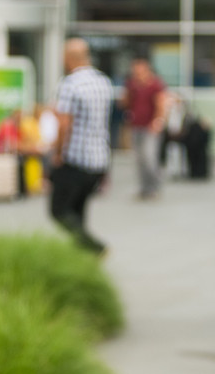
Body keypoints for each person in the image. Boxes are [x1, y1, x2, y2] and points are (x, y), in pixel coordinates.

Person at [49, 38, 113, 256]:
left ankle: (95, 248)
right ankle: (81, 254)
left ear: (69, 58)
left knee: (58, 210)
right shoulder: (103, 81)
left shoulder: (70, 84)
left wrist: (57, 154)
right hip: (99, 158)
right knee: (78, 210)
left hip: (75, 159)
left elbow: (64, 125)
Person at [121, 56, 168, 200]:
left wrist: (158, 121)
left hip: (150, 128)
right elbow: (125, 104)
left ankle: (154, 187)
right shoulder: (132, 84)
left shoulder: (155, 84)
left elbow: (161, 104)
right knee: (139, 159)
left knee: (149, 157)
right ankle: (144, 189)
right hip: (136, 126)